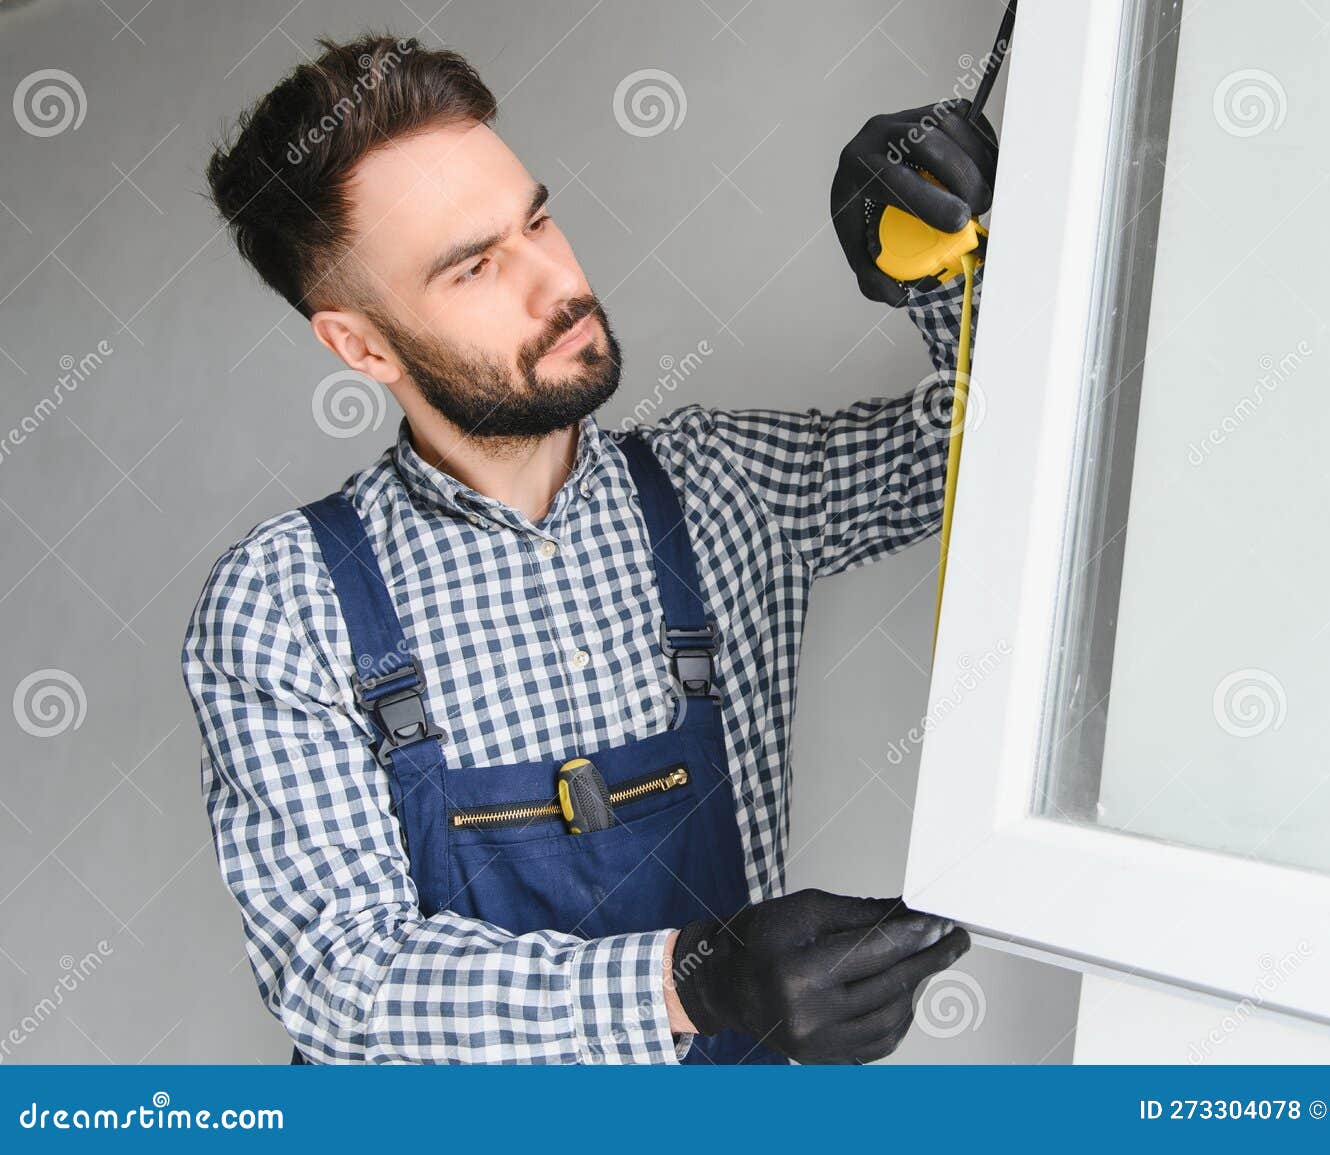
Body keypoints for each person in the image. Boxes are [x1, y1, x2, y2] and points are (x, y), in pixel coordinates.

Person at [181, 33, 997, 1064]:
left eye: (537, 222)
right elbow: (344, 979)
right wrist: (695, 983)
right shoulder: (285, 599)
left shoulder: (723, 488)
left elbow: (997, 454)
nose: (556, 283)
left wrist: (931, 265)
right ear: (361, 345)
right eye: (476, 267)